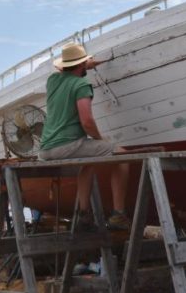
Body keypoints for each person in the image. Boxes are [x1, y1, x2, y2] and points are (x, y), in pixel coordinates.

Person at [39, 42, 131, 231]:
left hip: (46, 149)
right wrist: (100, 139)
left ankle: (84, 214)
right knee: (122, 156)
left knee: (89, 161)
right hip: (67, 146)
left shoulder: (53, 81)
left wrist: (84, 65)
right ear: (81, 65)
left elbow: (69, 71)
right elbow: (87, 121)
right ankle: (119, 215)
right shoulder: (82, 84)